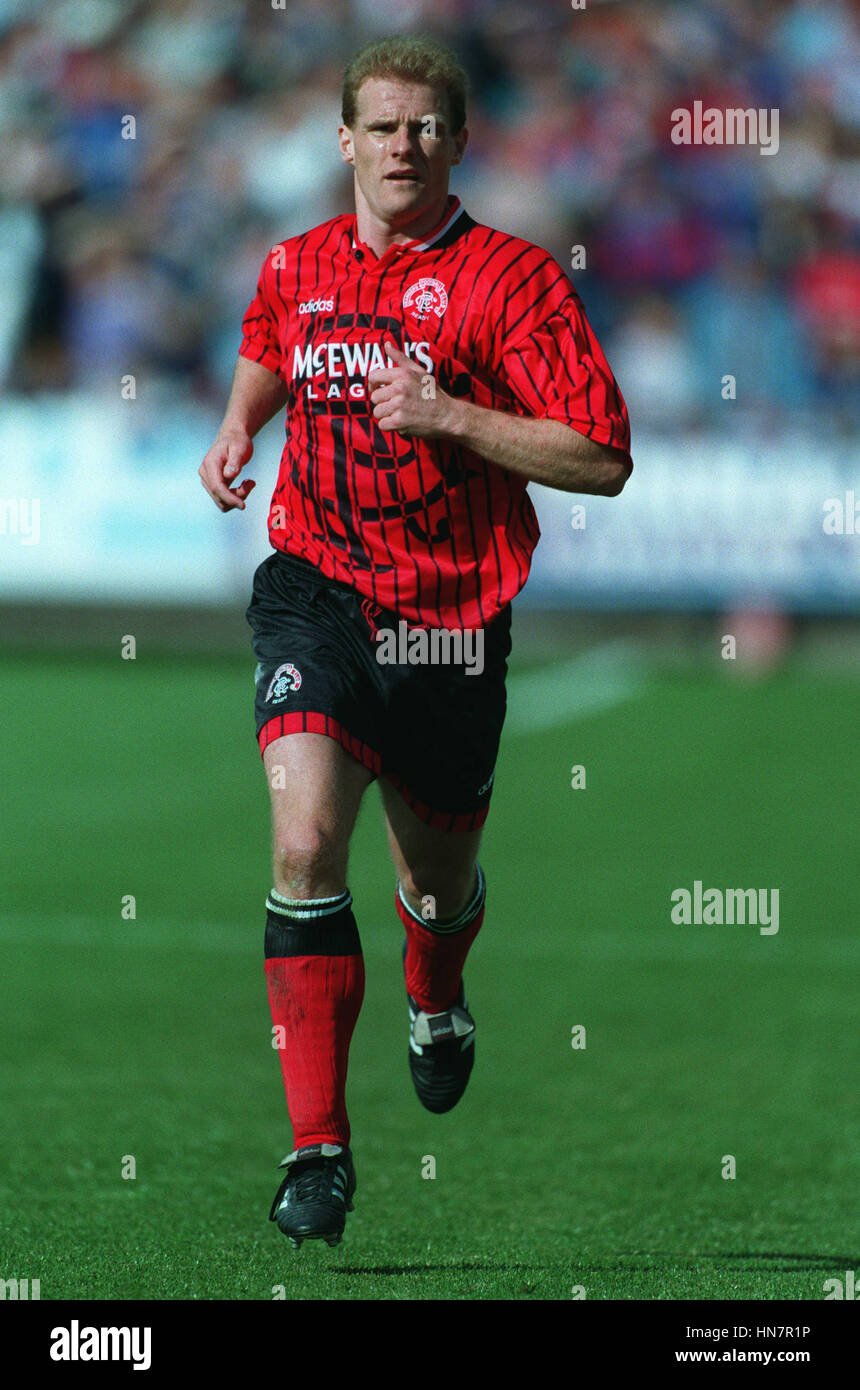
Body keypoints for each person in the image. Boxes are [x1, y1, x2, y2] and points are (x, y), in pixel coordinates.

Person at [198, 34, 632, 1249]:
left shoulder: (511, 281)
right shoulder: (296, 263)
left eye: (424, 128)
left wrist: (447, 414)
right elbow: (267, 345)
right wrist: (239, 426)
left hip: (449, 620)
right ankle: (318, 1152)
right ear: (344, 140)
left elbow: (599, 454)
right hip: (314, 589)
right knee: (300, 843)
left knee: (433, 892)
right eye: (380, 127)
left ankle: (434, 998)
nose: (402, 146)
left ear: (456, 142)